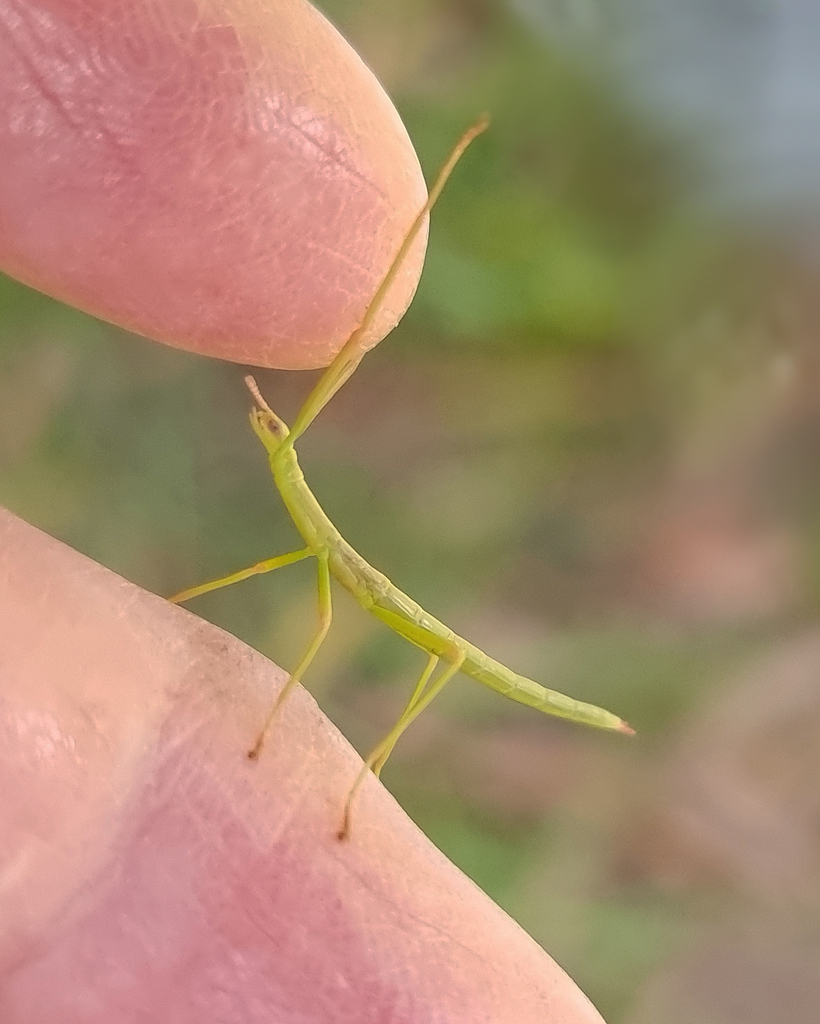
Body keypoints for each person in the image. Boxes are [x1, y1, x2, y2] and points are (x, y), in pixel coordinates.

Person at [0, 2, 605, 1021]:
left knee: (386, 629)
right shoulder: (301, 515)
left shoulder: (320, 535)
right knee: (317, 597)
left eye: (276, 434)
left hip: (453, 651)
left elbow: (353, 335)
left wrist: (441, 175)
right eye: (275, 434)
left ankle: (368, 771)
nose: (273, 429)